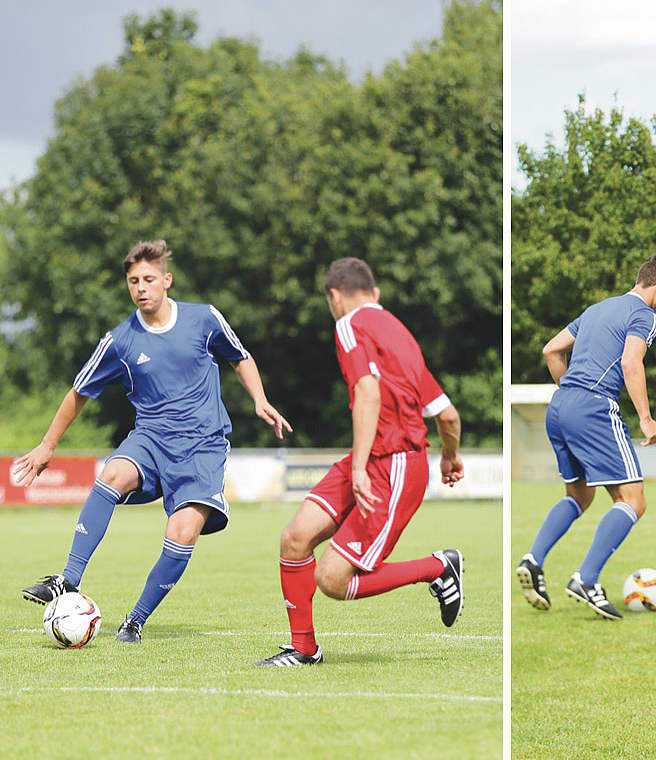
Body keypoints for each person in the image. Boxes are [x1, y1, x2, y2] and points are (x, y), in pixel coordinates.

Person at [12, 240, 291, 643]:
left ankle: (135, 620)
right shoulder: (120, 340)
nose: (140, 287)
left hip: (202, 447)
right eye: (132, 281)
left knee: (182, 532)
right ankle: (67, 578)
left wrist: (260, 400)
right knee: (113, 473)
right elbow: (80, 392)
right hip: (151, 439)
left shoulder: (203, 318)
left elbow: (240, 356)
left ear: (166, 280)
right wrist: (47, 445)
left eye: (148, 279)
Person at [255, 257, 465, 667]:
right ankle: (303, 649)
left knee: (332, 579)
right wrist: (450, 456)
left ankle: (438, 568)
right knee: (295, 538)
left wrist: (357, 470)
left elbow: (367, 391)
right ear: (376, 294)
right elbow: (448, 415)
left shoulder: (349, 324)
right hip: (376, 458)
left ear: (334, 295)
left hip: (394, 465)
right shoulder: (402, 336)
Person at [515, 254, 656, 620]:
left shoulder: (596, 309)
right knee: (633, 500)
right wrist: (646, 418)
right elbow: (629, 362)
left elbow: (551, 350)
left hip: (559, 406)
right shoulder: (646, 316)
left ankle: (533, 559)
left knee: (579, 495)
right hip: (593, 407)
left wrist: (570, 394)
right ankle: (586, 579)